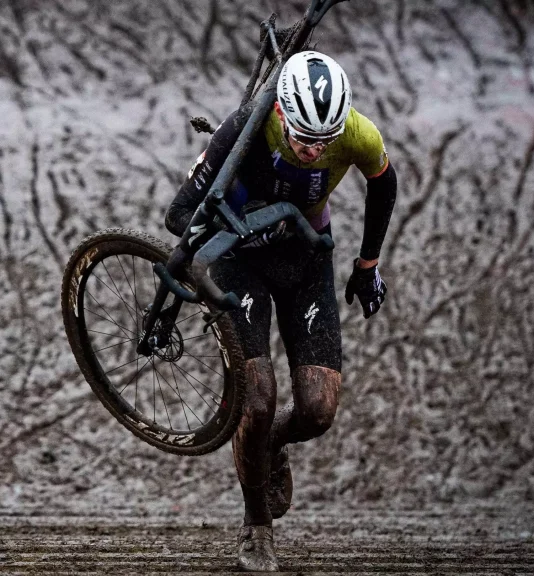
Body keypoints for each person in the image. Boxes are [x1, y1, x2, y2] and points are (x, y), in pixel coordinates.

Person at [164, 51, 398, 572]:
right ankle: (257, 528)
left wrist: (367, 265)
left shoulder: (357, 134)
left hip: (306, 255)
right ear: (280, 114)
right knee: (259, 399)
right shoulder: (244, 129)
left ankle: (268, 447)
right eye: (303, 138)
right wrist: (235, 229)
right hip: (241, 263)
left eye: (326, 140)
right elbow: (177, 214)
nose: (315, 151)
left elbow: (385, 183)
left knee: (317, 411)